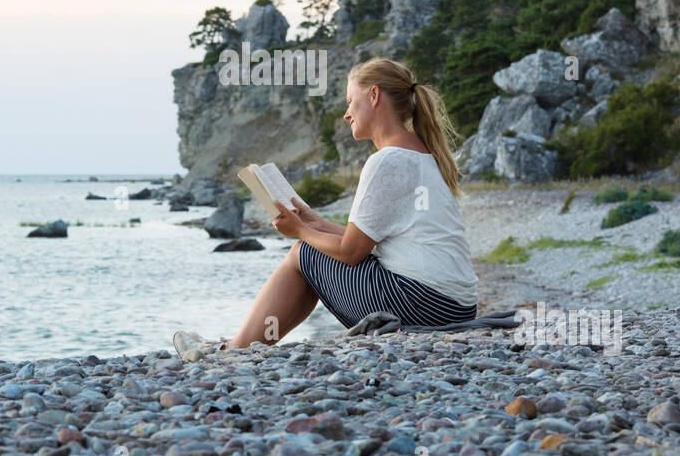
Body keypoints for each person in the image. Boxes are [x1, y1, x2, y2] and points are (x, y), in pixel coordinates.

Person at [172, 57, 479, 358]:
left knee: (301, 253)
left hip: (423, 305)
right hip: (456, 306)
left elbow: (350, 252)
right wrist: (314, 222)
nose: (347, 114)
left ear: (374, 96)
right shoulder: (423, 154)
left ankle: (232, 351)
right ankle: (248, 343)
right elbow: (366, 241)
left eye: (350, 100)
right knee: (310, 249)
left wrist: (301, 231)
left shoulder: (388, 160)